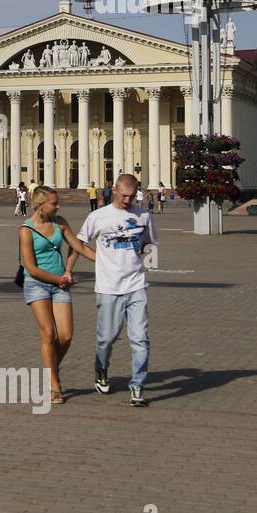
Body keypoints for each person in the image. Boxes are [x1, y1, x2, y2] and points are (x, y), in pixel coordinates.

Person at [74, 173, 157, 408]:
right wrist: (97, 259)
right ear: (114, 191)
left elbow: (150, 243)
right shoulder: (98, 216)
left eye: (131, 196)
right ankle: (101, 368)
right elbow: (79, 242)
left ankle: (137, 386)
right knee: (106, 338)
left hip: (137, 285)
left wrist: (147, 264)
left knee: (140, 339)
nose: (127, 201)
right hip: (108, 287)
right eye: (123, 196)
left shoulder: (144, 216)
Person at [19, 187, 82, 405]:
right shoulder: (26, 229)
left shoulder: (60, 221)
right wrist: (60, 279)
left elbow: (78, 246)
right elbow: (30, 267)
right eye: (54, 203)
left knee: (65, 336)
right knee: (49, 335)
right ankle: (54, 385)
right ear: (40, 205)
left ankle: (51, 368)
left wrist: (106, 261)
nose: (58, 206)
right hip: (37, 284)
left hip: (60, 285)